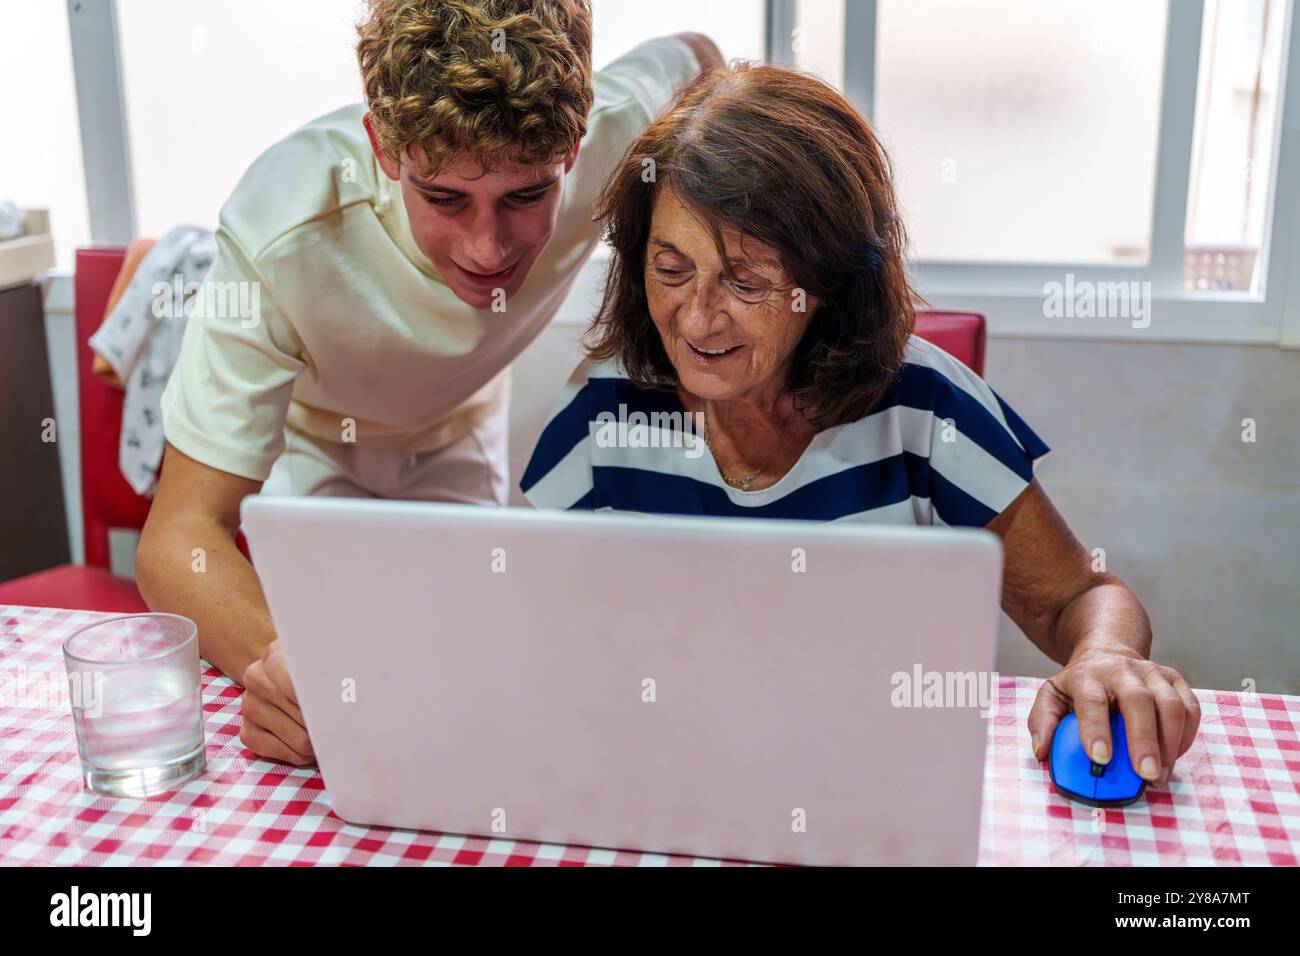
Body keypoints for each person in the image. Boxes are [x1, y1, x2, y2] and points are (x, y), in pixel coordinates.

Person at [522, 63, 1200, 786]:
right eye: (671, 268)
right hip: (665, 782)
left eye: (746, 281)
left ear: (826, 283)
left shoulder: (925, 407)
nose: (696, 318)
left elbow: (1082, 596)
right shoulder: (606, 413)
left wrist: (1103, 657)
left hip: (877, 788)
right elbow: (514, 622)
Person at [136, 0, 721, 765]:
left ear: (575, 146)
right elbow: (178, 537)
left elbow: (703, 54)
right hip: (317, 447)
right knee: (333, 714)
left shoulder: (619, 120)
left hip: (460, 428)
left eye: (525, 195)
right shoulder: (279, 225)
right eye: (444, 198)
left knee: (470, 691)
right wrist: (288, 665)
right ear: (383, 146)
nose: (487, 249)